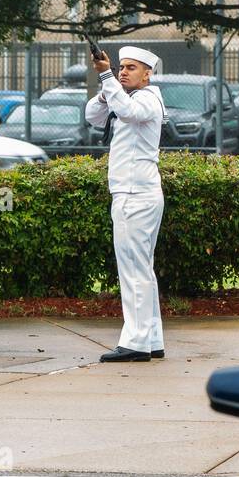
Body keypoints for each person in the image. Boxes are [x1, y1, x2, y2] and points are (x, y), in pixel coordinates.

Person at [86, 45, 167, 362]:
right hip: (133, 191)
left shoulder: (146, 99)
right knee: (141, 268)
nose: (123, 71)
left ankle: (136, 342)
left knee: (133, 270)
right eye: (120, 67)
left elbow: (129, 113)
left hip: (136, 194)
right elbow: (92, 115)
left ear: (148, 74)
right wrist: (108, 87)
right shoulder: (126, 96)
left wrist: (107, 77)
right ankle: (152, 337)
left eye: (131, 68)